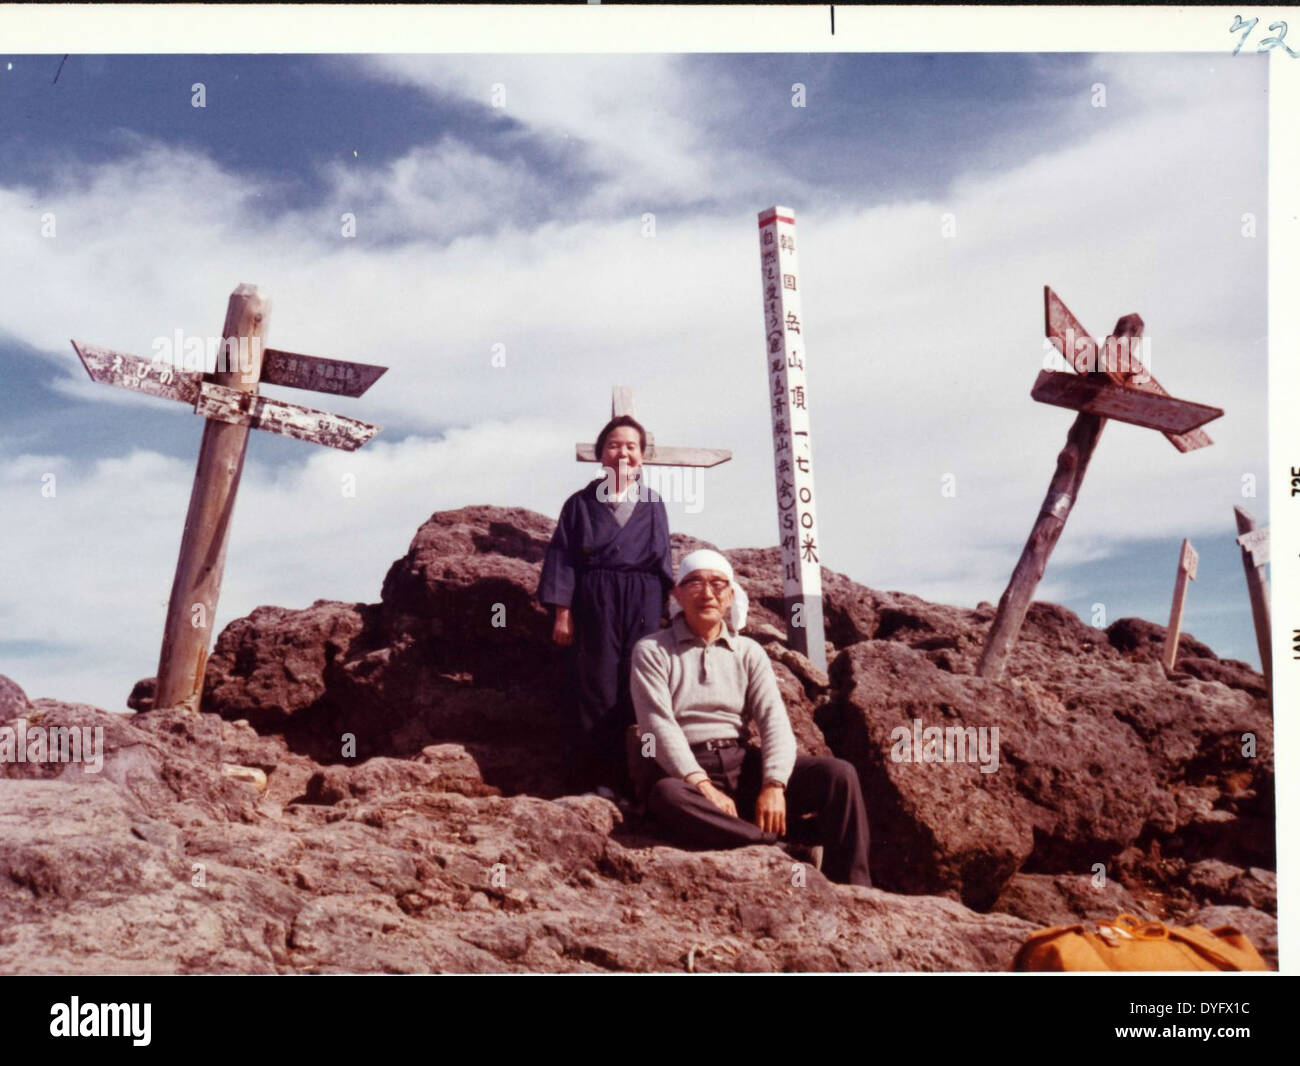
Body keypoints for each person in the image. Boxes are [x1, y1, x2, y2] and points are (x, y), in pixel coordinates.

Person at [629, 549, 872, 886]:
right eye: (694, 582)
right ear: (677, 593)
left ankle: (856, 887)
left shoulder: (749, 652)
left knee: (839, 775)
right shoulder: (652, 650)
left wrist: (773, 784)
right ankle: (783, 848)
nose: (707, 592)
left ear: (730, 595)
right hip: (687, 770)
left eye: (718, 584)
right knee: (668, 796)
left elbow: (773, 720)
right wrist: (700, 783)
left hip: (741, 762)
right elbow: (657, 726)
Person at [537, 415, 675, 800]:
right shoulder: (579, 504)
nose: (623, 452)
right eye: (615, 445)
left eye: (631, 446)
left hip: (643, 597)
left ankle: (643, 780)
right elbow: (563, 557)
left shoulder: (653, 504)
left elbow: (662, 560)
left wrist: (665, 612)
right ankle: (599, 780)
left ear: (642, 457)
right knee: (594, 683)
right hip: (595, 596)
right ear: (600, 454)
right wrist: (563, 611)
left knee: (641, 682)